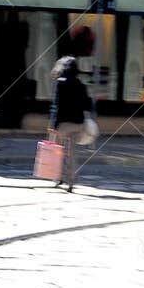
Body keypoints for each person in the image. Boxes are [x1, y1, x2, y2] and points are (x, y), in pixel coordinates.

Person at [49, 55, 92, 192]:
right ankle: (71, 182)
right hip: (78, 123)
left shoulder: (60, 83)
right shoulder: (81, 84)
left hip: (63, 123)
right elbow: (87, 105)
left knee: (58, 152)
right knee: (72, 153)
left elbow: (57, 105)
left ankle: (58, 178)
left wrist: (53, 125)